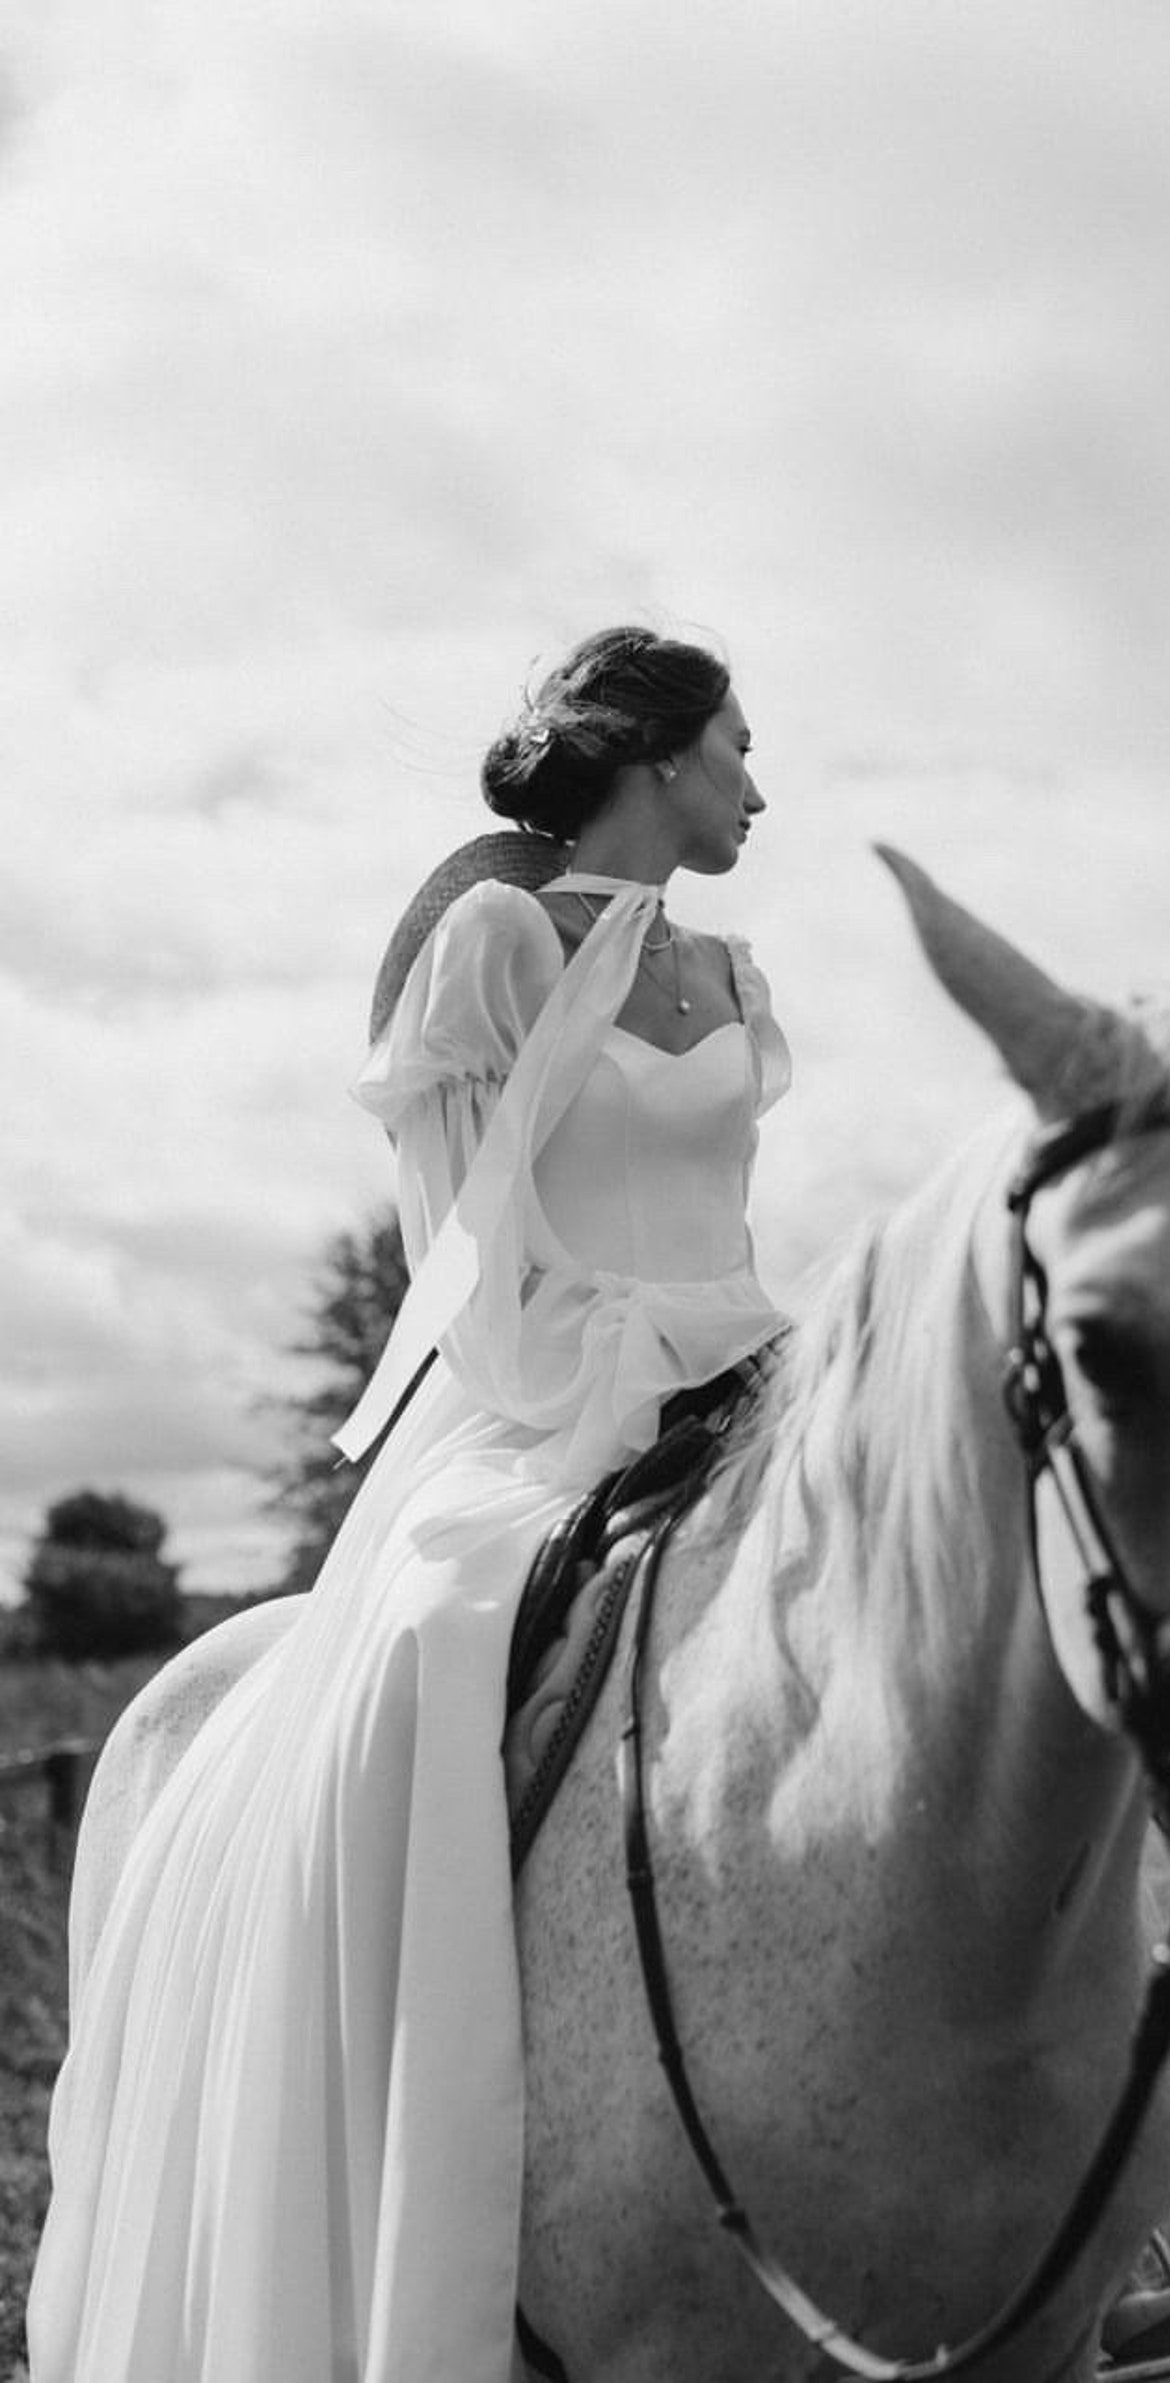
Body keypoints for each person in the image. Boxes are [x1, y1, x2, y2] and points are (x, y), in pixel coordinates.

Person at [28, 624, 792, 2383]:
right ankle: (403, 2113)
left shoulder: (741, 972)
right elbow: (452, 1230)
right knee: (444, 1627)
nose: (760, 785)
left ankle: (1081, 2221)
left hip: (740, 1349)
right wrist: (586, 1389)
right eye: (738, 747)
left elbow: (731, 1223)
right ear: (655, 755)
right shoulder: (494, 941)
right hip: (546, 1381)